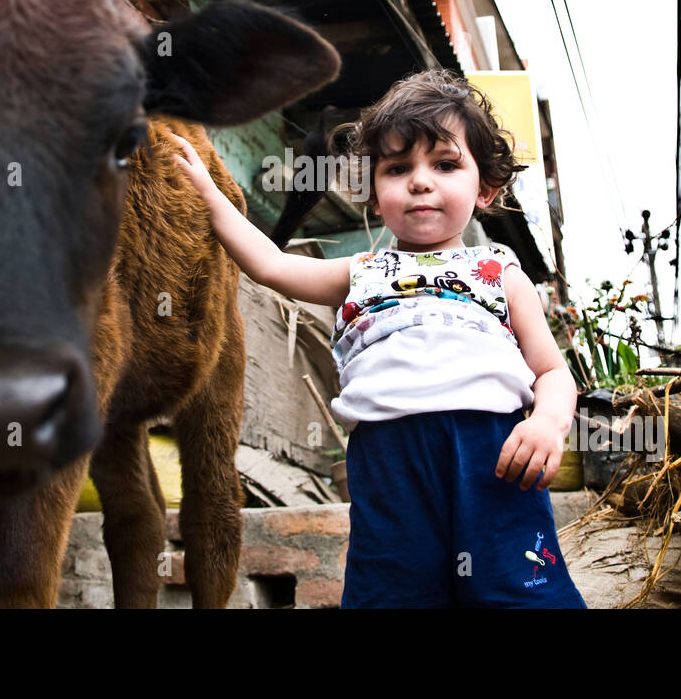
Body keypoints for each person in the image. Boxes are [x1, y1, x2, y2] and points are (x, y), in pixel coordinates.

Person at [168, 69, 587, 608]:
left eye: (445, 164)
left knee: (518, 591)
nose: (419, 181)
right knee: (391, 592)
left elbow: (552, 371)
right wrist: (207, 189)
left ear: (485, 188)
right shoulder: (360, 270)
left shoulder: (499, 270)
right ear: (373, 195)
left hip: (492, 454)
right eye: (397, 168)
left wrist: (548, 423)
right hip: (388, 459)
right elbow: (270, 265)